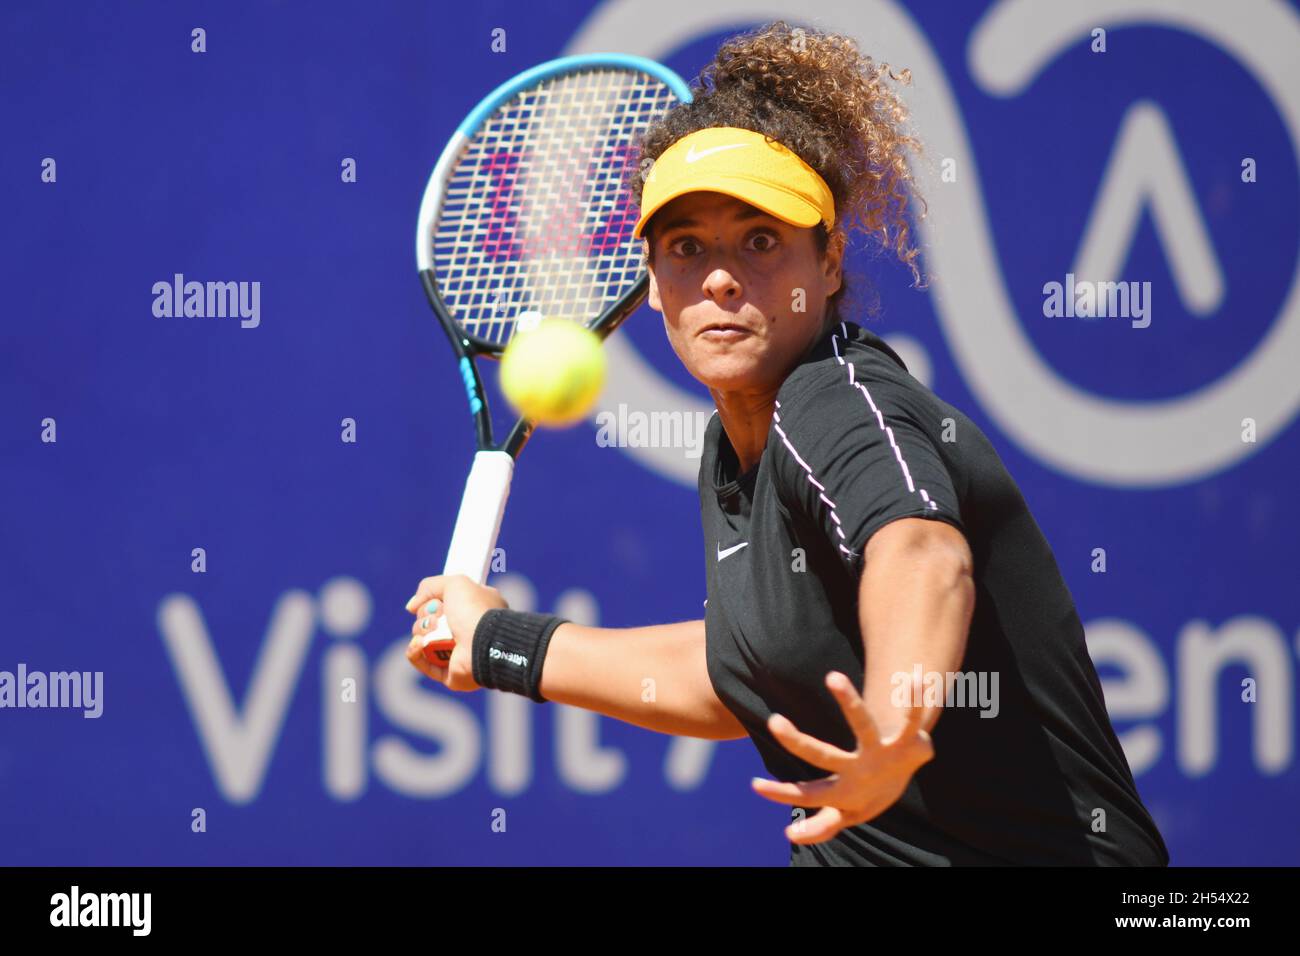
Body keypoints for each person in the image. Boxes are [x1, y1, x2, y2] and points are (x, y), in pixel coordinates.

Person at [404, 21, 1169, 867]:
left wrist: (899, 717)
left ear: (830, 262)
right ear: (653, 283)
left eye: (760, 240)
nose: (721, 275)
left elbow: (920, 553)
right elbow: (737, 678)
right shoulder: (735, 447)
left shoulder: (837, 404)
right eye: (687, 247)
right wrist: (503, 644)